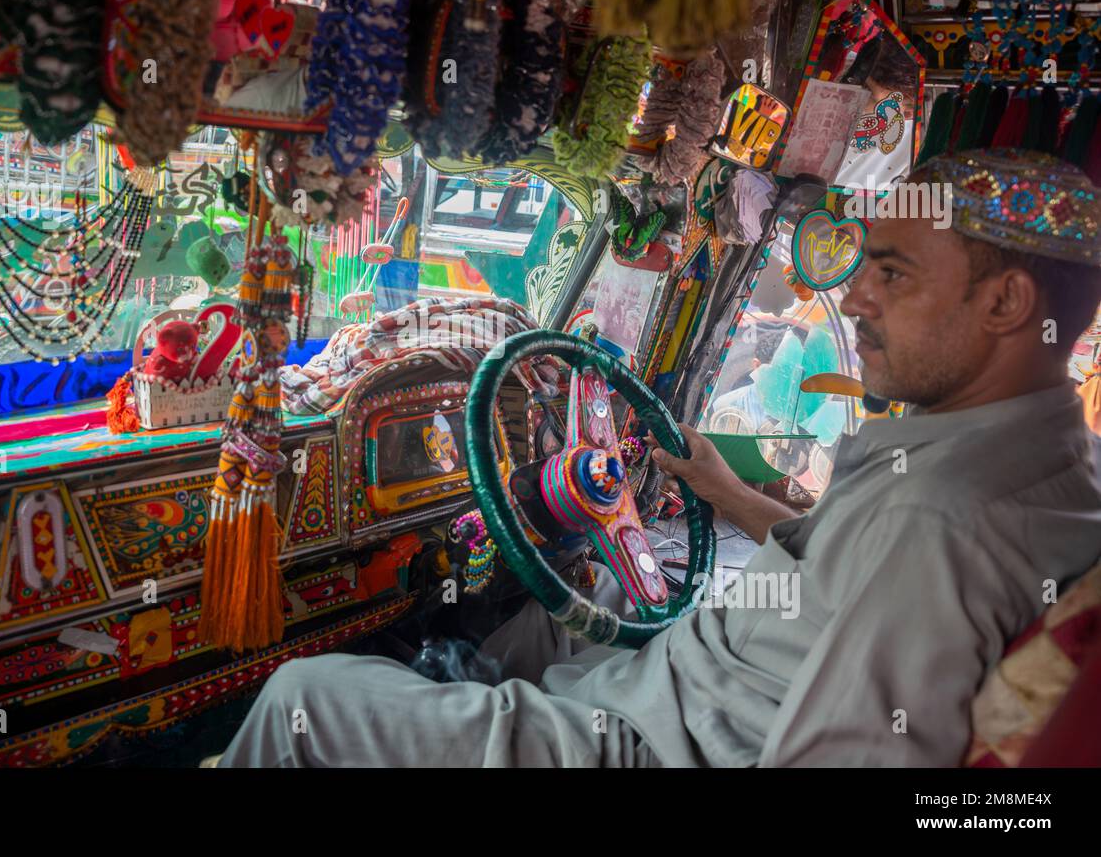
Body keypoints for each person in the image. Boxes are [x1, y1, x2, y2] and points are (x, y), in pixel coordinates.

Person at [216, 148, 1101, 767]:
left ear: (1007, 304)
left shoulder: (939, 521)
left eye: (895, 274)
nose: (854, 295)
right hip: (681, 685)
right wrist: (723, 488)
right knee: (576, 604)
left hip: (646, 742)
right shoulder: (1047, 467)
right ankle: (445, 698)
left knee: (305, 694)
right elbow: (838, 563)